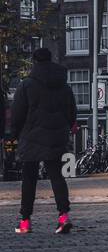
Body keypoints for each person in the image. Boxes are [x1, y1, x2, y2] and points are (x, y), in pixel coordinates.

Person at [11, 48, 78, 235]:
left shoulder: (26, 85)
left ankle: (25, 221)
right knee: (57, 176)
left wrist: (15, 134)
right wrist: (65, 127)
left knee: (29, 179)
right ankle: (63, 216)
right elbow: (72, 112)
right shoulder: (64, 86)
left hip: (31, 137)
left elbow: (17, 113)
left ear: (34, 62)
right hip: (56, 137)